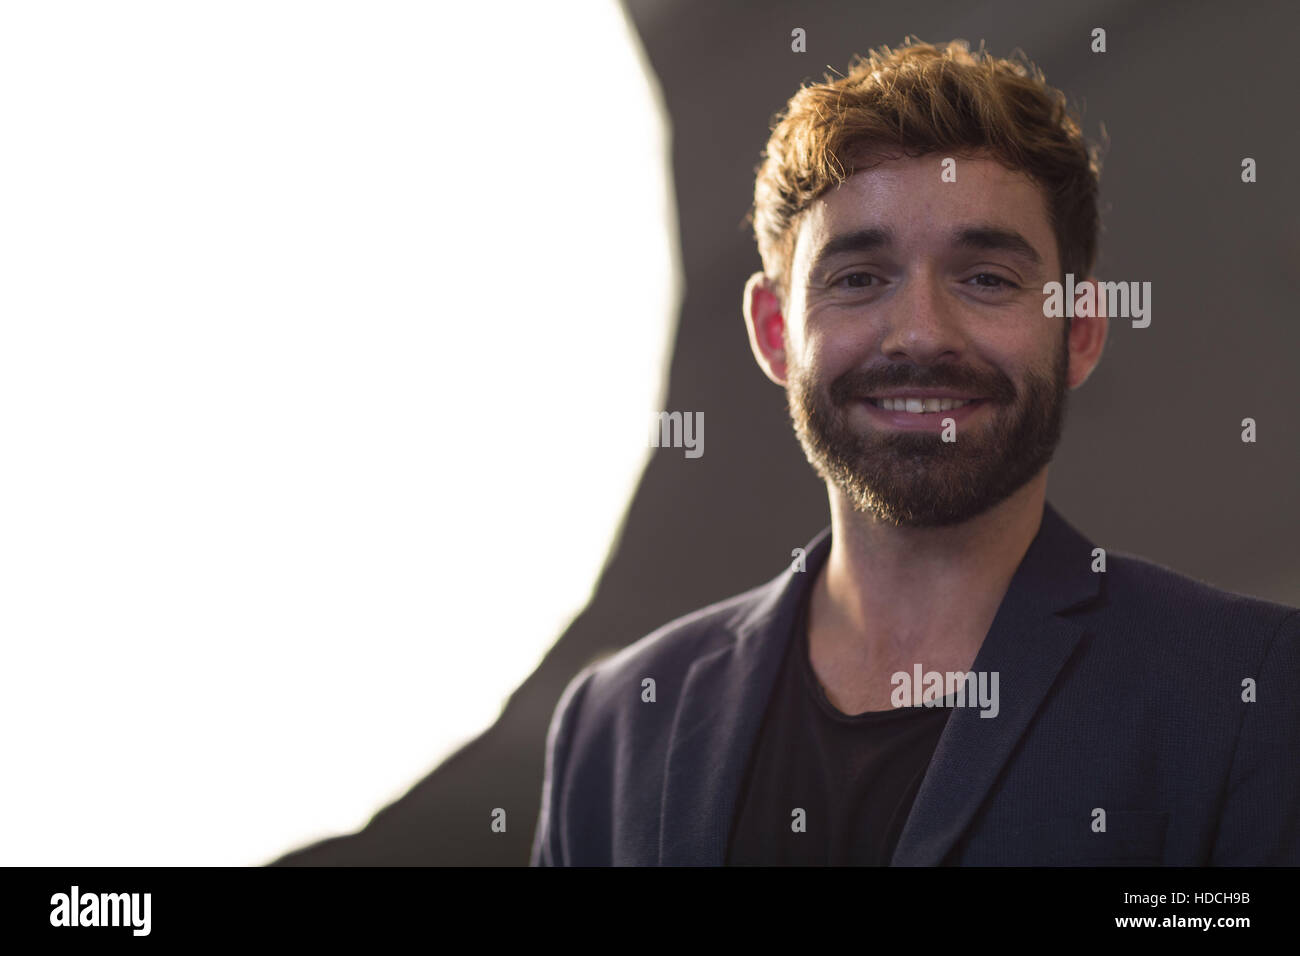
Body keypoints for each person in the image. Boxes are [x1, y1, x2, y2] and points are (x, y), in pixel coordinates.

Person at [530, 39, 1300, 866]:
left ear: (1078, 330)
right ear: (776, 332)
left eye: (987, 279)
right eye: (859, 278)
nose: (922, 334)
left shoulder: (1252, 693)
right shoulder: (612, 728)